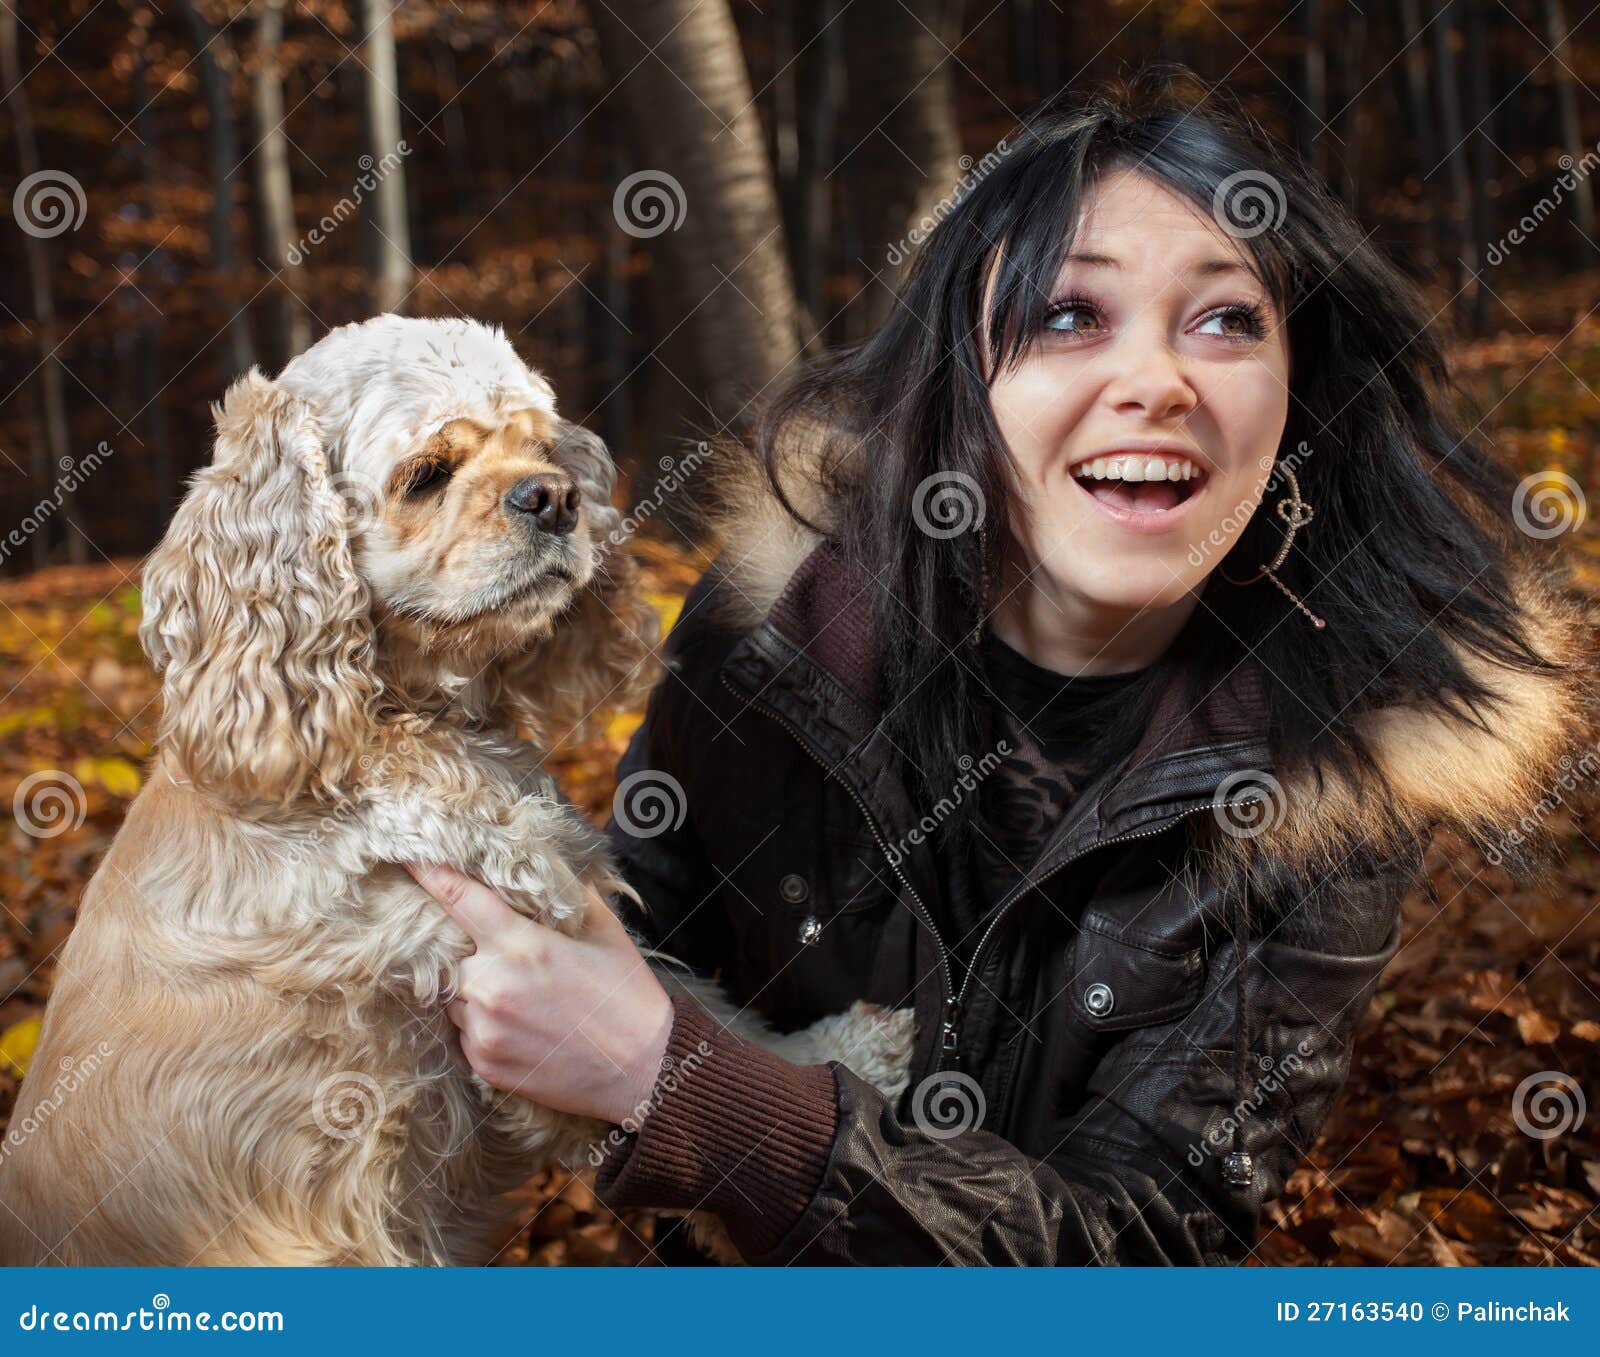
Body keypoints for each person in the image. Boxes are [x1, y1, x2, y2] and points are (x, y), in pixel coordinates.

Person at [407, 72, 1596, 1265]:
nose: (1157, 381)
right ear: (962, 387)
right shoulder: (777, 625)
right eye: (1071, 315)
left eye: (1227, 319)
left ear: (1297, 403)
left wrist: (684, 1089)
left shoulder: (1336, 762)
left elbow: (1137, 1249)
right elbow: (628, 932)